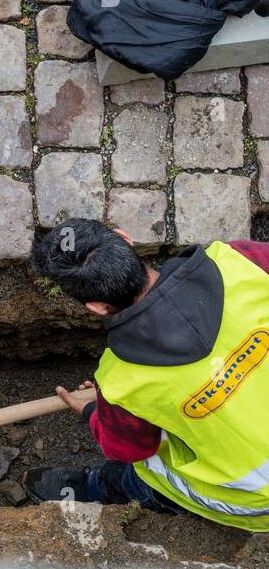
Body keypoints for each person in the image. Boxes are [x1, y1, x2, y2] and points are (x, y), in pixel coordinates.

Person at [27, 218, 269, 531]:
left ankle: (98, 488)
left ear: (97, 307)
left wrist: (93, 411)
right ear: (126, 239)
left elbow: (129, 450)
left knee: (147, 467)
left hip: (257, 495)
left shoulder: (123, 381)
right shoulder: (239, 260)